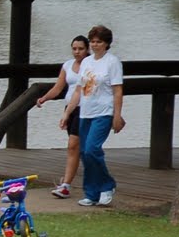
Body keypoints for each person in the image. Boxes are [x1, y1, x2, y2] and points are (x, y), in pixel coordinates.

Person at [60, 25, 124, 207]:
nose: (95, 45)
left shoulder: (112, 62)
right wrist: (67, 112)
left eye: (99, 42)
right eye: (93, 42)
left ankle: (107, 185)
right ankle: (91, 193)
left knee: (92, 149)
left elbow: (118, 91)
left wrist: (117, 116)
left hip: (104, 111)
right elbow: (78, 90)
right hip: (85, 112)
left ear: (106, 44)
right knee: (84, 153)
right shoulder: (87, 63)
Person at [35, 34, 90, 198]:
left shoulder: (91, 66)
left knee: (74, 145)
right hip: (70, 108)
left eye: (80, 49)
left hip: (85, 108)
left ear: (87, 49)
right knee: (76, 148)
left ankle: (66, 184)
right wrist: (44, 98)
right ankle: (68, 182)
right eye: (74, 49)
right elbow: (58, 88)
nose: (77, 52)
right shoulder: (67, 65)